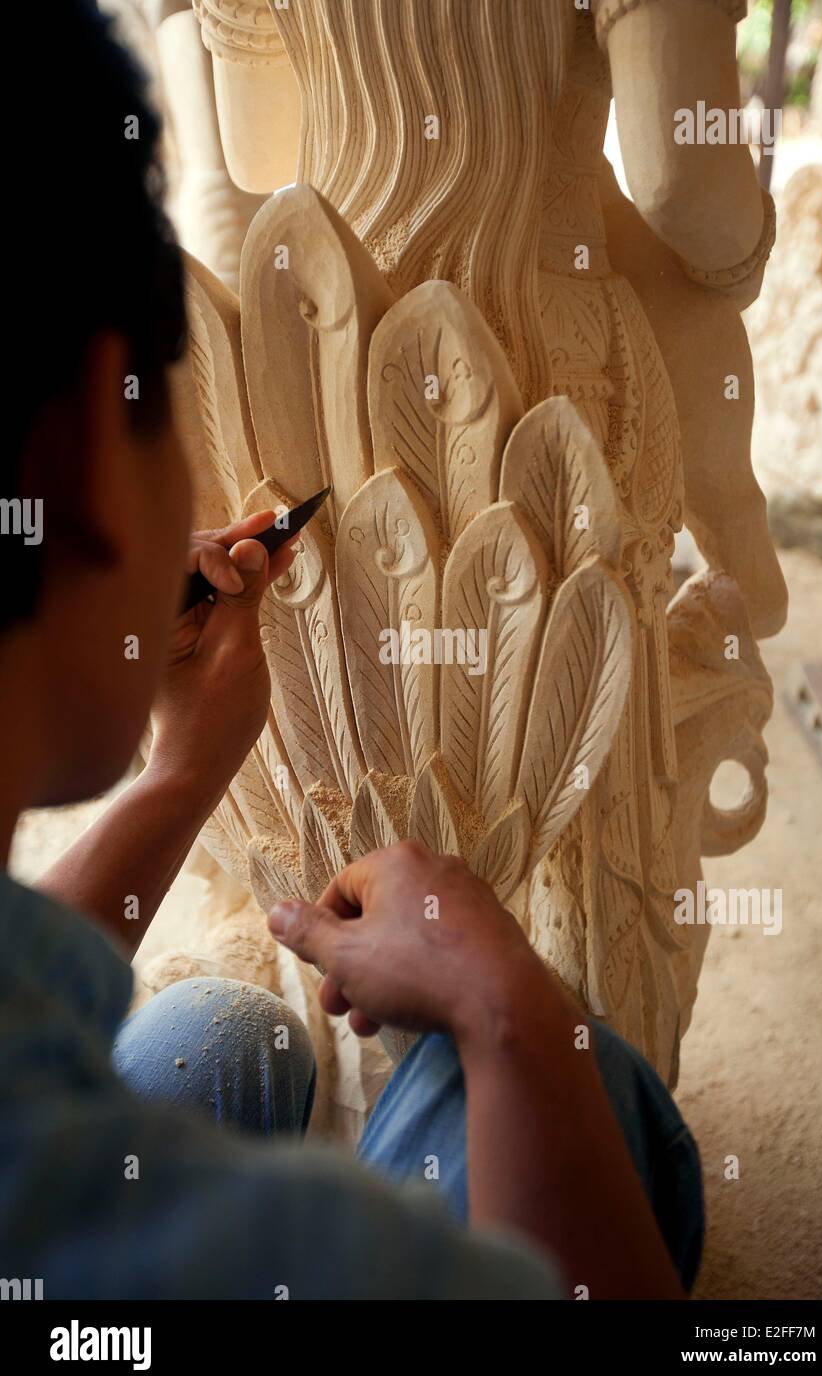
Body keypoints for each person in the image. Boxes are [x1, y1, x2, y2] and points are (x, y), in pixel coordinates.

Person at [0, 0, 701, 1300]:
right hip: (543, 346)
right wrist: (502, 1002)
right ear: (97, 444)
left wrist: (174, 783)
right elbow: (699, 203)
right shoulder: (316, 1264)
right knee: (582, 1071)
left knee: (213, 1035)